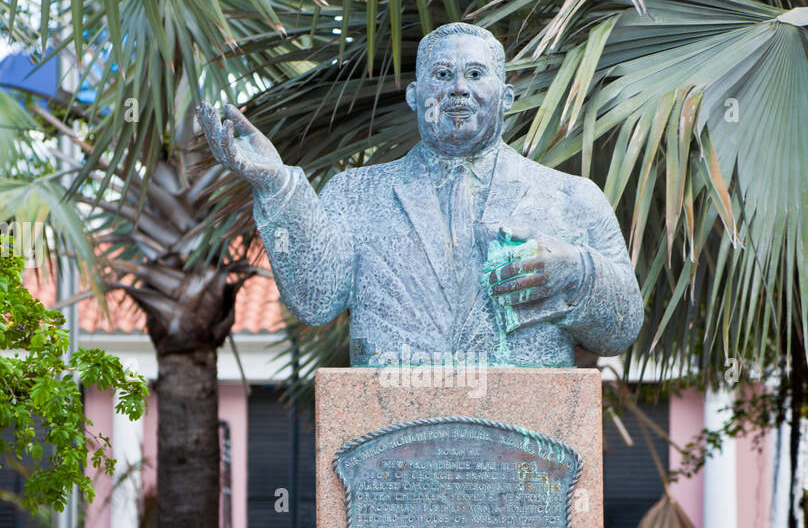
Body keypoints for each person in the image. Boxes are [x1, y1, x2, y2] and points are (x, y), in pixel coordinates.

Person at [197, 23, 644, 367]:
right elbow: (316, 300)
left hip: (522, 439)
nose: (458, 88)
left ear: (505, 97)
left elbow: (621, 331)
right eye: (442, 74)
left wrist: (579, 273)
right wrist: (278, 186)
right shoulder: (355, 194)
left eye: (474, 74)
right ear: (414, 95)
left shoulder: (571, 197)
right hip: (393, 428)